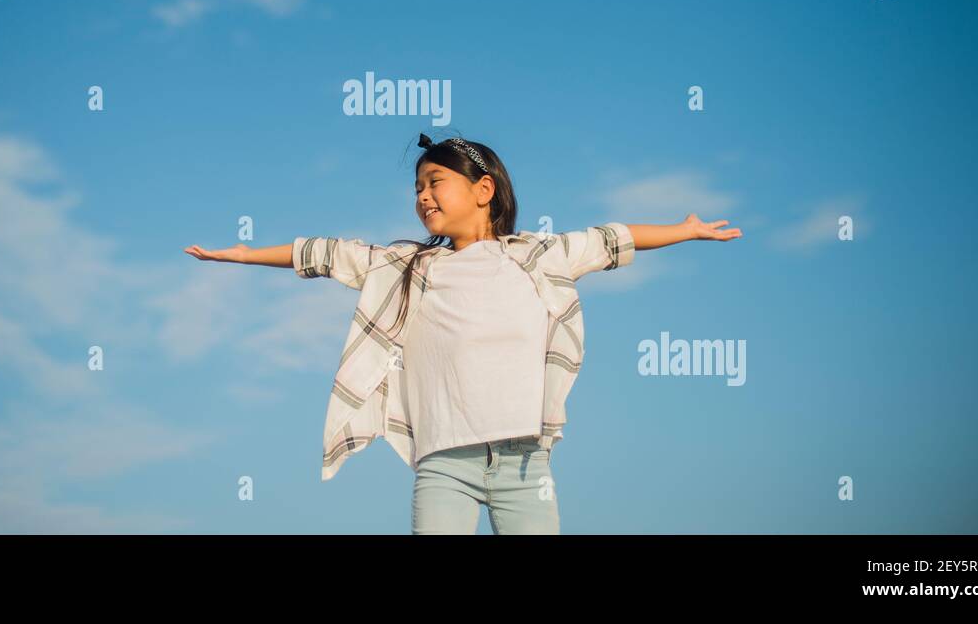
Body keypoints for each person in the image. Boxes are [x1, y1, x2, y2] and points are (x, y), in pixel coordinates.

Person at [185, 132, 742, 533]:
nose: (422, 196)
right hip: (445, 463)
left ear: (483, 190)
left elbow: (611, 238)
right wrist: (246, 255)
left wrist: (685, 230)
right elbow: (326, 253)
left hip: (527, 461)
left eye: (435, 182)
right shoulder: (406, 266)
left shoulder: (537, 257)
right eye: (417, 188)